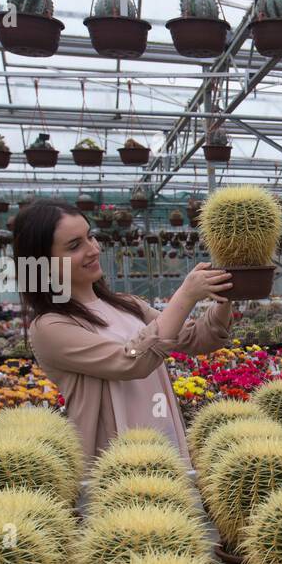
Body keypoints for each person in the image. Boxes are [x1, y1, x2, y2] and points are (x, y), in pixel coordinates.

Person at [14, 199, 234, 464]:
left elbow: (197, 337)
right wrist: (186, 295)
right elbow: (131, 360)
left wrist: (226, 294)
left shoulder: (127, 304)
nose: (93, 249)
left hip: (163, 437)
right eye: (75, 245)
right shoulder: (50, 327)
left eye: (90, 236)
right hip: (113, 459)